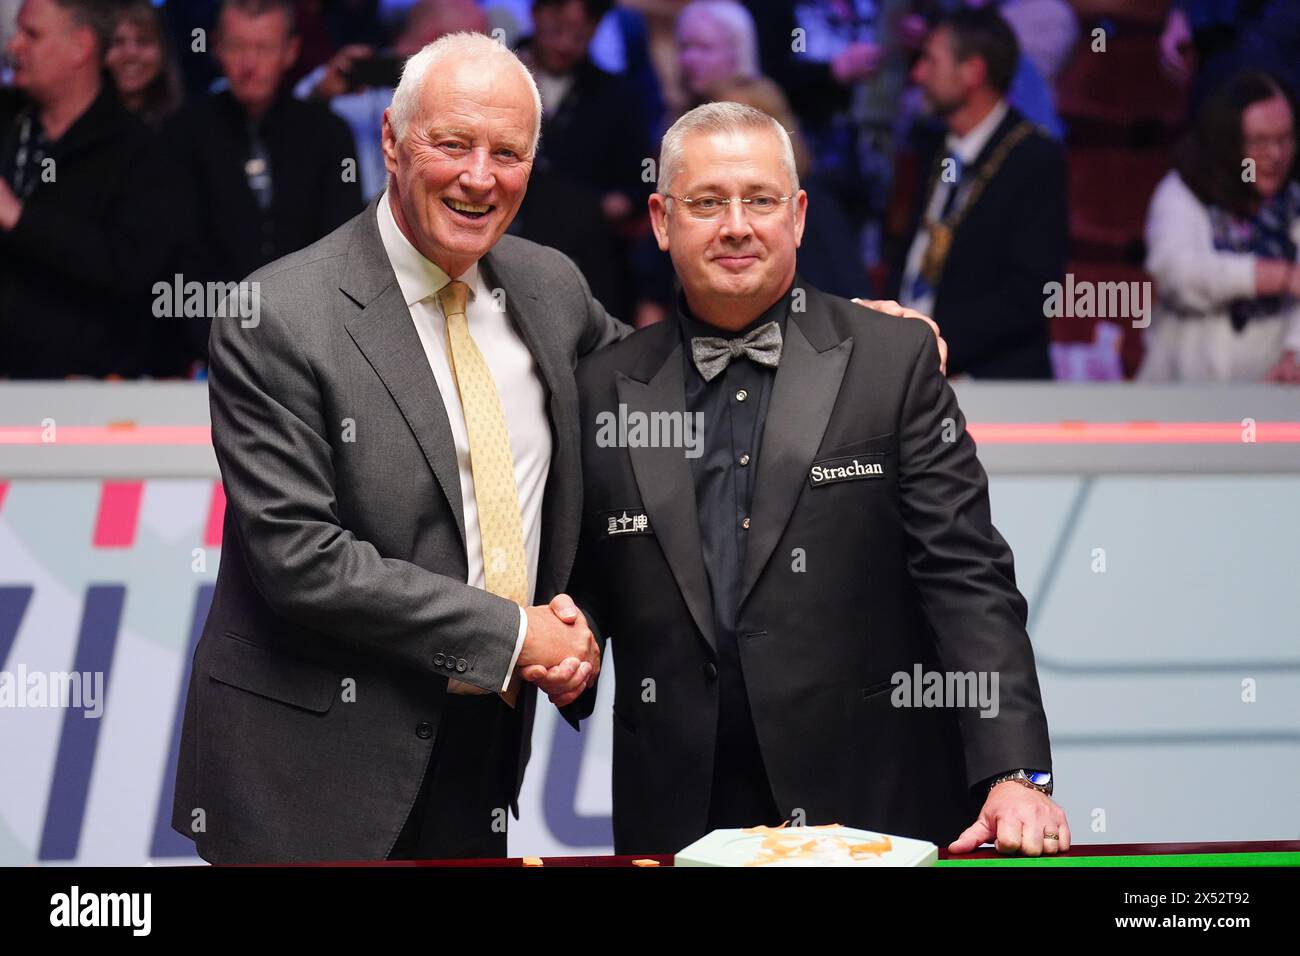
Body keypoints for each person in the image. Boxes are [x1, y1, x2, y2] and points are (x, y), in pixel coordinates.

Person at [562, 101, 1063, 857]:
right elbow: (586, 577)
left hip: (874, 809)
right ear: (663, 221)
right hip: (678, 813)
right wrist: (576, 639)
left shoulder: (891, 361)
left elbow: (967, 578)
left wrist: (1015, 771)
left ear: (797, 215)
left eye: (760, 200)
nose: (737, 225)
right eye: (707, 203)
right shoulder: (599, 387)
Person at [170, 31, 616, 864]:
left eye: (507, 152)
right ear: (390, 141)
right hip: (303, 777)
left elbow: (660, 387)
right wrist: (519, 638)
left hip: (479, 752)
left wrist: (855, 328)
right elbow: (303, 561)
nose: (479, 176)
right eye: (452, 144)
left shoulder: (552, 287)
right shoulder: (279, 313)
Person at [163, 0, 363, 368]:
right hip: (204, 347)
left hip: (312, 346)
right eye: (237, 46)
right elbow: (178, 253)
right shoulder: (184, 132)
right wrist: (215, 342)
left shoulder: (327, 133)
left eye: (264, 47)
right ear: (216, 47)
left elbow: (340, 249)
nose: (249, 64)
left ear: (290, 52)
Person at [890, 7, 1065, 378]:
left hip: (993, 382)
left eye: (930, 61)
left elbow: (1029, 295)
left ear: (972, 72)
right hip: (908, 370)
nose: (917, 74)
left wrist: (928, 345)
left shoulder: (1035, 158)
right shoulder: (932, 146)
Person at [0, 0, 169, 378]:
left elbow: (129, 270)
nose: (14, 47)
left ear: (80, 46)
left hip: (87, 400)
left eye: (33, 34)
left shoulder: (138, 151)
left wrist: (19, 218)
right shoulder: (7, 122)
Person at [1140, 70, 1300, 384]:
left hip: (1270, 395)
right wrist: (1276, 276)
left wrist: (1295, 354)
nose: (1276, 155)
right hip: (1182, 391)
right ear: (1229, 142)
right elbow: (1178, 275)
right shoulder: (1182, 192)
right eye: (1260, 142)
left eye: (1285, 139)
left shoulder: (1295, 198)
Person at [105, 0, 184, 128]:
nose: (131, 53)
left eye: (143, 41)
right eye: (117, 42)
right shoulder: (79, 127)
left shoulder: (189, 128)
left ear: (164, 51)